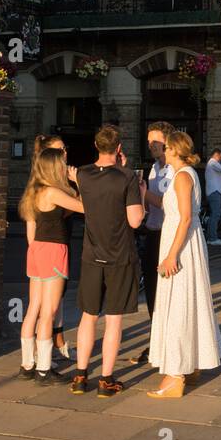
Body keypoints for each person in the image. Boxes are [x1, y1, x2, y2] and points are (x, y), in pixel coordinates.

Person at [146, 131, 221, 398]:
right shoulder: (187, 174)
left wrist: (171, 255)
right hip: (186, 243)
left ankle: (174, 375)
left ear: (176, 150)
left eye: (166, 147)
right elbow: (173, 209)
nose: (162, 150)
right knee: (187, 301)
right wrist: (145, 194)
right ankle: (190, 365)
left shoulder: (181, 176)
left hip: (180, 245)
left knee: (178, 304)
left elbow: (184, 218)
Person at [71, 125, 144, 397]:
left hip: (91, 254)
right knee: (113, 320)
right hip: (120, 255)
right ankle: (106, 380)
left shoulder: (82, 174)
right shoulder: (127, 178)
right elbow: (135, 220)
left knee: (88, 316)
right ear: (119, 148)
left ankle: (80, 376)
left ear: (95, 144)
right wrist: (139, 188)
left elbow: (89, 202)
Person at [18, 147, 85, 384]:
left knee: (33, 308)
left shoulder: (34, 192)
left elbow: (34, 226)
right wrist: (78, 180)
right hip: (54, 251)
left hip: (36, 249)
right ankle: (44, 370)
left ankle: (28, 364)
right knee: (49, 311)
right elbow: (84, 207)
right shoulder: (52, 192)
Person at [128, 121, 175, 366]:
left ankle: (167, 342)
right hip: (153, 233)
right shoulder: (155, 168)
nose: (151, 146)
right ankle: (156, 340)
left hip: (169, 237)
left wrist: (144, 192)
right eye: (149, 142)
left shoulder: (175, 171)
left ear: (167, 142)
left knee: (166, 292)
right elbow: (150, 204)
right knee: (153, 293)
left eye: (155, 141)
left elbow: (171, 204)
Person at [32, 134, 76, 366]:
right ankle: (44, 361)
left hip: (55, 243)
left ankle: (39, 356)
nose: (65, 154)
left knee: (50, 302)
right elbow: (79, 206)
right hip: (51, 247)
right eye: (59, 151)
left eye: (64, 148)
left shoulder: (54, 185)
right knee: (48, 306)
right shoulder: (48, 188)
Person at [204, 148, 221, 245]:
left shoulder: (212, 164)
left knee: (214, 214)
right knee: (216, 214)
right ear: (216, 155)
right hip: (214, 192)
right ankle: (213, 238)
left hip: (214, 192)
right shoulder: (213, 163)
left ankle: (211, 237)